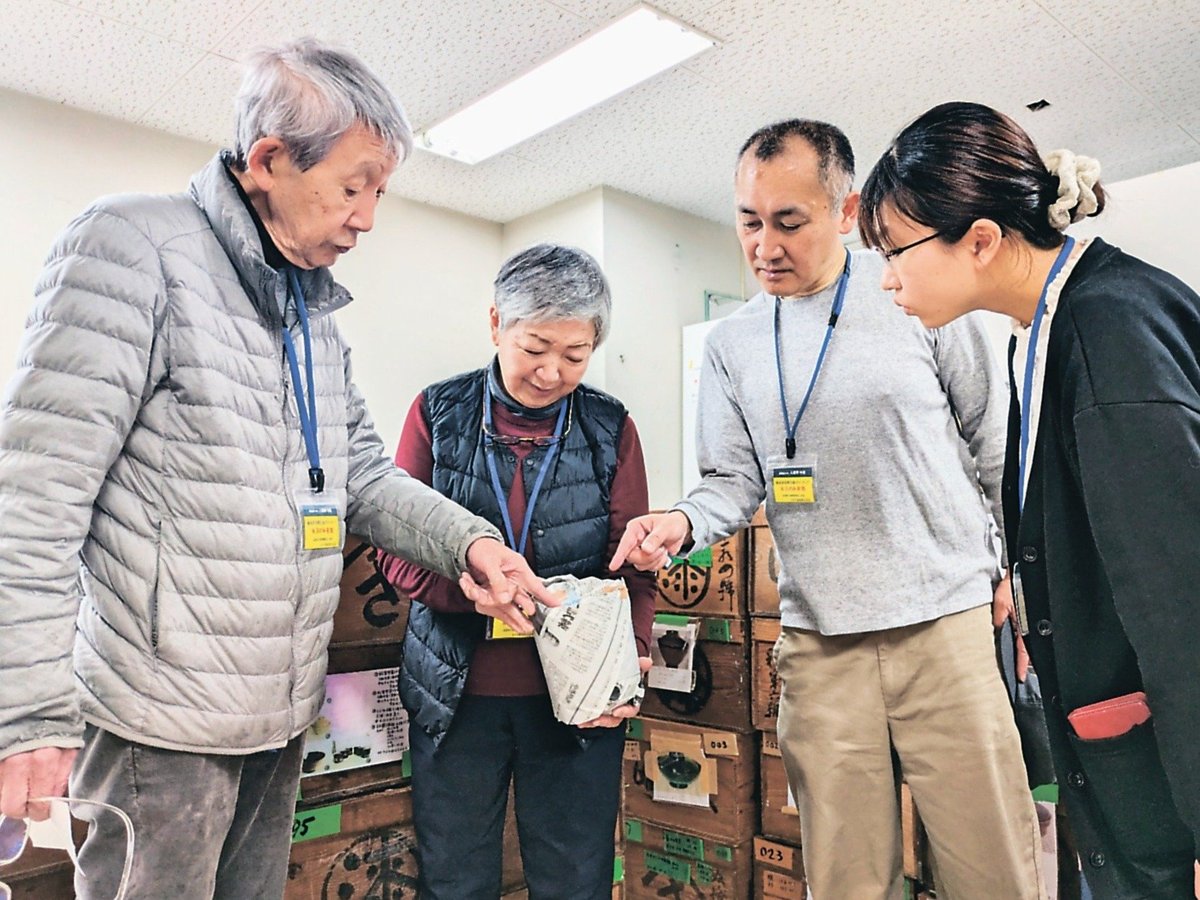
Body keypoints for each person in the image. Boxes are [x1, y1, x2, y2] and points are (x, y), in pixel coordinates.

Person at [0, 38, 555, 900]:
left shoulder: (309, 311)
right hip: (161, 723)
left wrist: (471, 545)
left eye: (380, 192)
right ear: (267, 161)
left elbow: (360, 473)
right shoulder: (131, 247)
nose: (367, 217)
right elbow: (34, 497)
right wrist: (28, 714)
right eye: (353, 186)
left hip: (277, 714)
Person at [610, 119, 1047, 898]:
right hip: (820, 645)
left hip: (943, 625)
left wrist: (1016, 569)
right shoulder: (732, 344)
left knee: (992, 870)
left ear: (845, 212)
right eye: (749, 222)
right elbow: (731, 480)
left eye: (789, 222)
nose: (765, 246)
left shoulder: (918, 290)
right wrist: (679, 523)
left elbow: (996, 446)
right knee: (845, 879)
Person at [858, 100, 1200, 900]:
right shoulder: (1050, 326)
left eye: (896, 251)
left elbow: (1180, 598)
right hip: (1128, 752)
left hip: (1168, 782)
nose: (888, 278)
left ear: (980, 239)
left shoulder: (1108, 328)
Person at [377, 243, 654, 900]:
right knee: (456, 875)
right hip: (455, 694)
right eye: (535, 348)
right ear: (497, 323)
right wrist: (472, 594)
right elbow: (395, 547)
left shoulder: (609, 426)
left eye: (575, 355)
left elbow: (633, 565)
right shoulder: (437, 413)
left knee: (574, 876)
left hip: (576, 698)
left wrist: (633, 656)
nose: (552, 371)